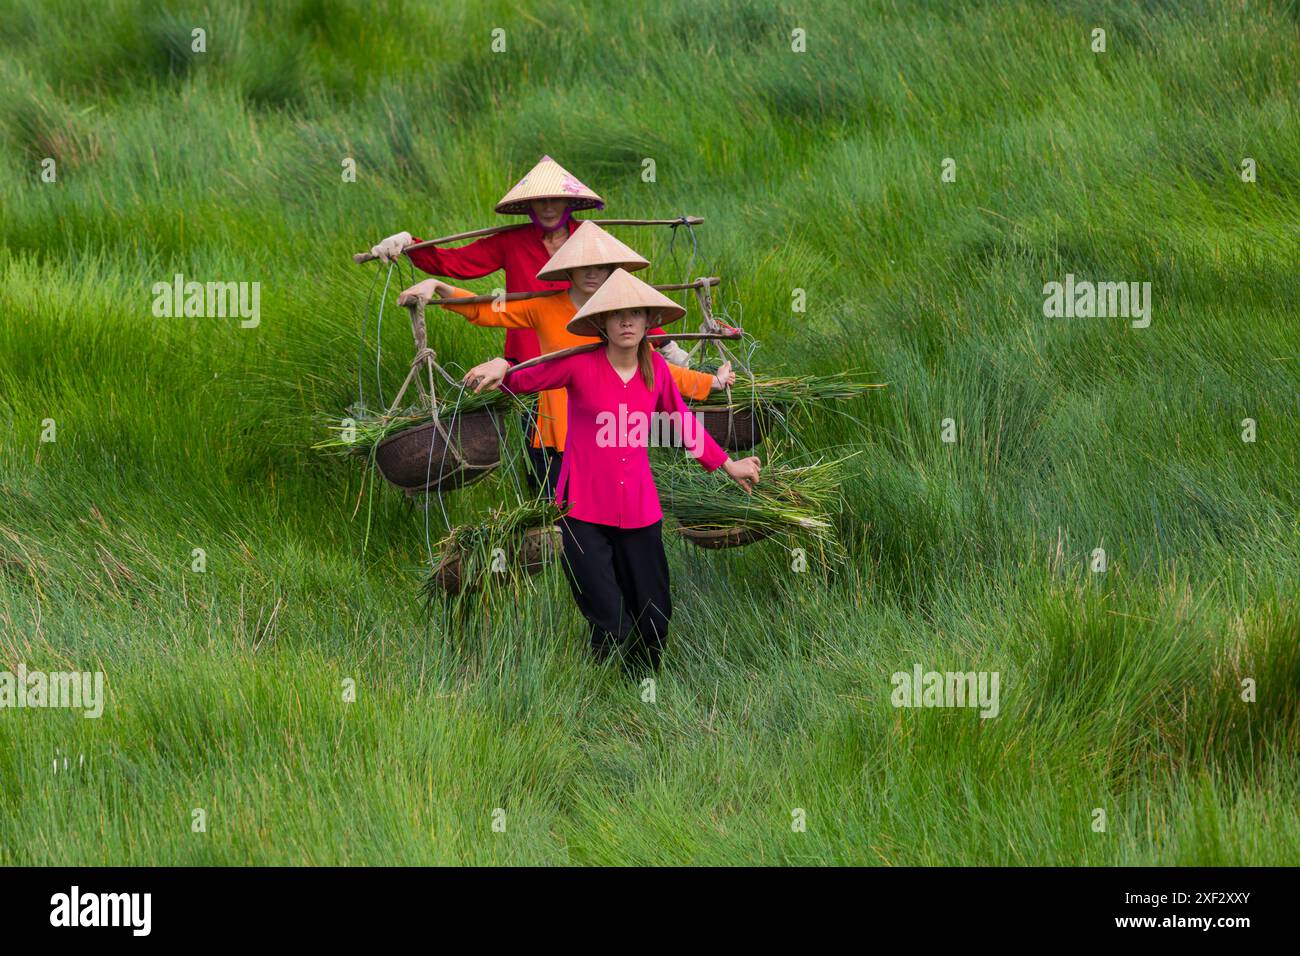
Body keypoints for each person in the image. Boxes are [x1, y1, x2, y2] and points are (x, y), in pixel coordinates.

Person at [459, 269, 762, 672]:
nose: (625, 322)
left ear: (647, 321)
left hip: (639, 509)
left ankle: (640, 684)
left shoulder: (655, 369)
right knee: (609, 616)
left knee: (654, 618)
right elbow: (524, 377)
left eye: (635, 313)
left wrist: (728, 464)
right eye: (617, 314)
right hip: (582, 509)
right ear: (601, 321)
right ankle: (600, 671)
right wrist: (502, 366)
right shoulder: (578, 365)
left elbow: (684, 423)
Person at [368, 155, 695, 489]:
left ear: (570, 203)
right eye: (540, 200)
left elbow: (625, 299)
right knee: (545, 464)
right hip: (531, 369)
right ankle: (554, 526)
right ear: (528, 205)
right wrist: (410, 245)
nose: (548, 207)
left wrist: (664, 344)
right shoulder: (512, 243)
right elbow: (459, 265)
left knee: (607, 458)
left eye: (555, 199)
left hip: (596, 363)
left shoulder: (591, 242)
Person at [396, 222, 733, 497]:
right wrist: (440, 287)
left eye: (600, 266)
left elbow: (655, 371)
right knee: (563, 519)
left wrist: (710, 382)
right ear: (569, 270)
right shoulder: (544, 306)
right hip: (557, 433)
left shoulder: (621, 319)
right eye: (583, 266)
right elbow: (487, 308)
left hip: (609, 435)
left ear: (612, 269)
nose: (592, 273)